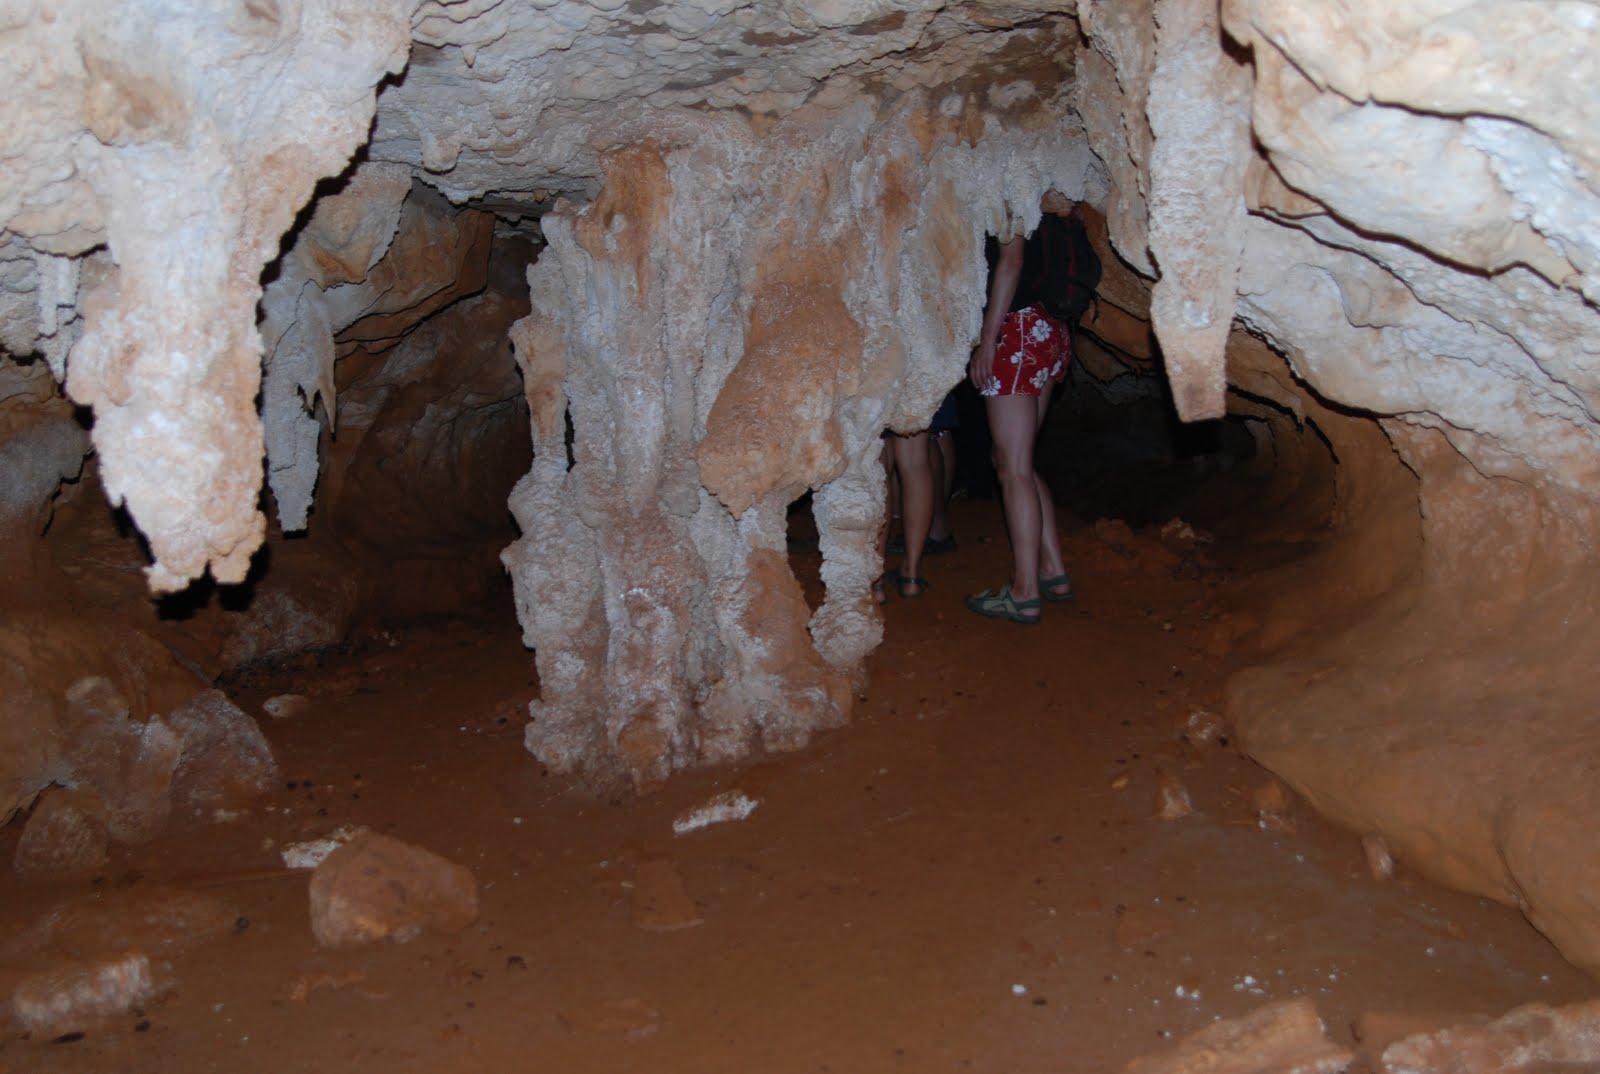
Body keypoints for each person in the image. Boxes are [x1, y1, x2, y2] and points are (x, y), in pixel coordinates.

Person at [965, 205, 1077, 624]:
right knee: (1019, 463)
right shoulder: (1048, 202)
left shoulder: (1011, 186)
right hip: (1050, 333)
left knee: (1013, 468)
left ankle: (1025, 591)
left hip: (1017, 333)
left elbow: (1011, 260)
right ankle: (1053, 571)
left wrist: (988, 340)